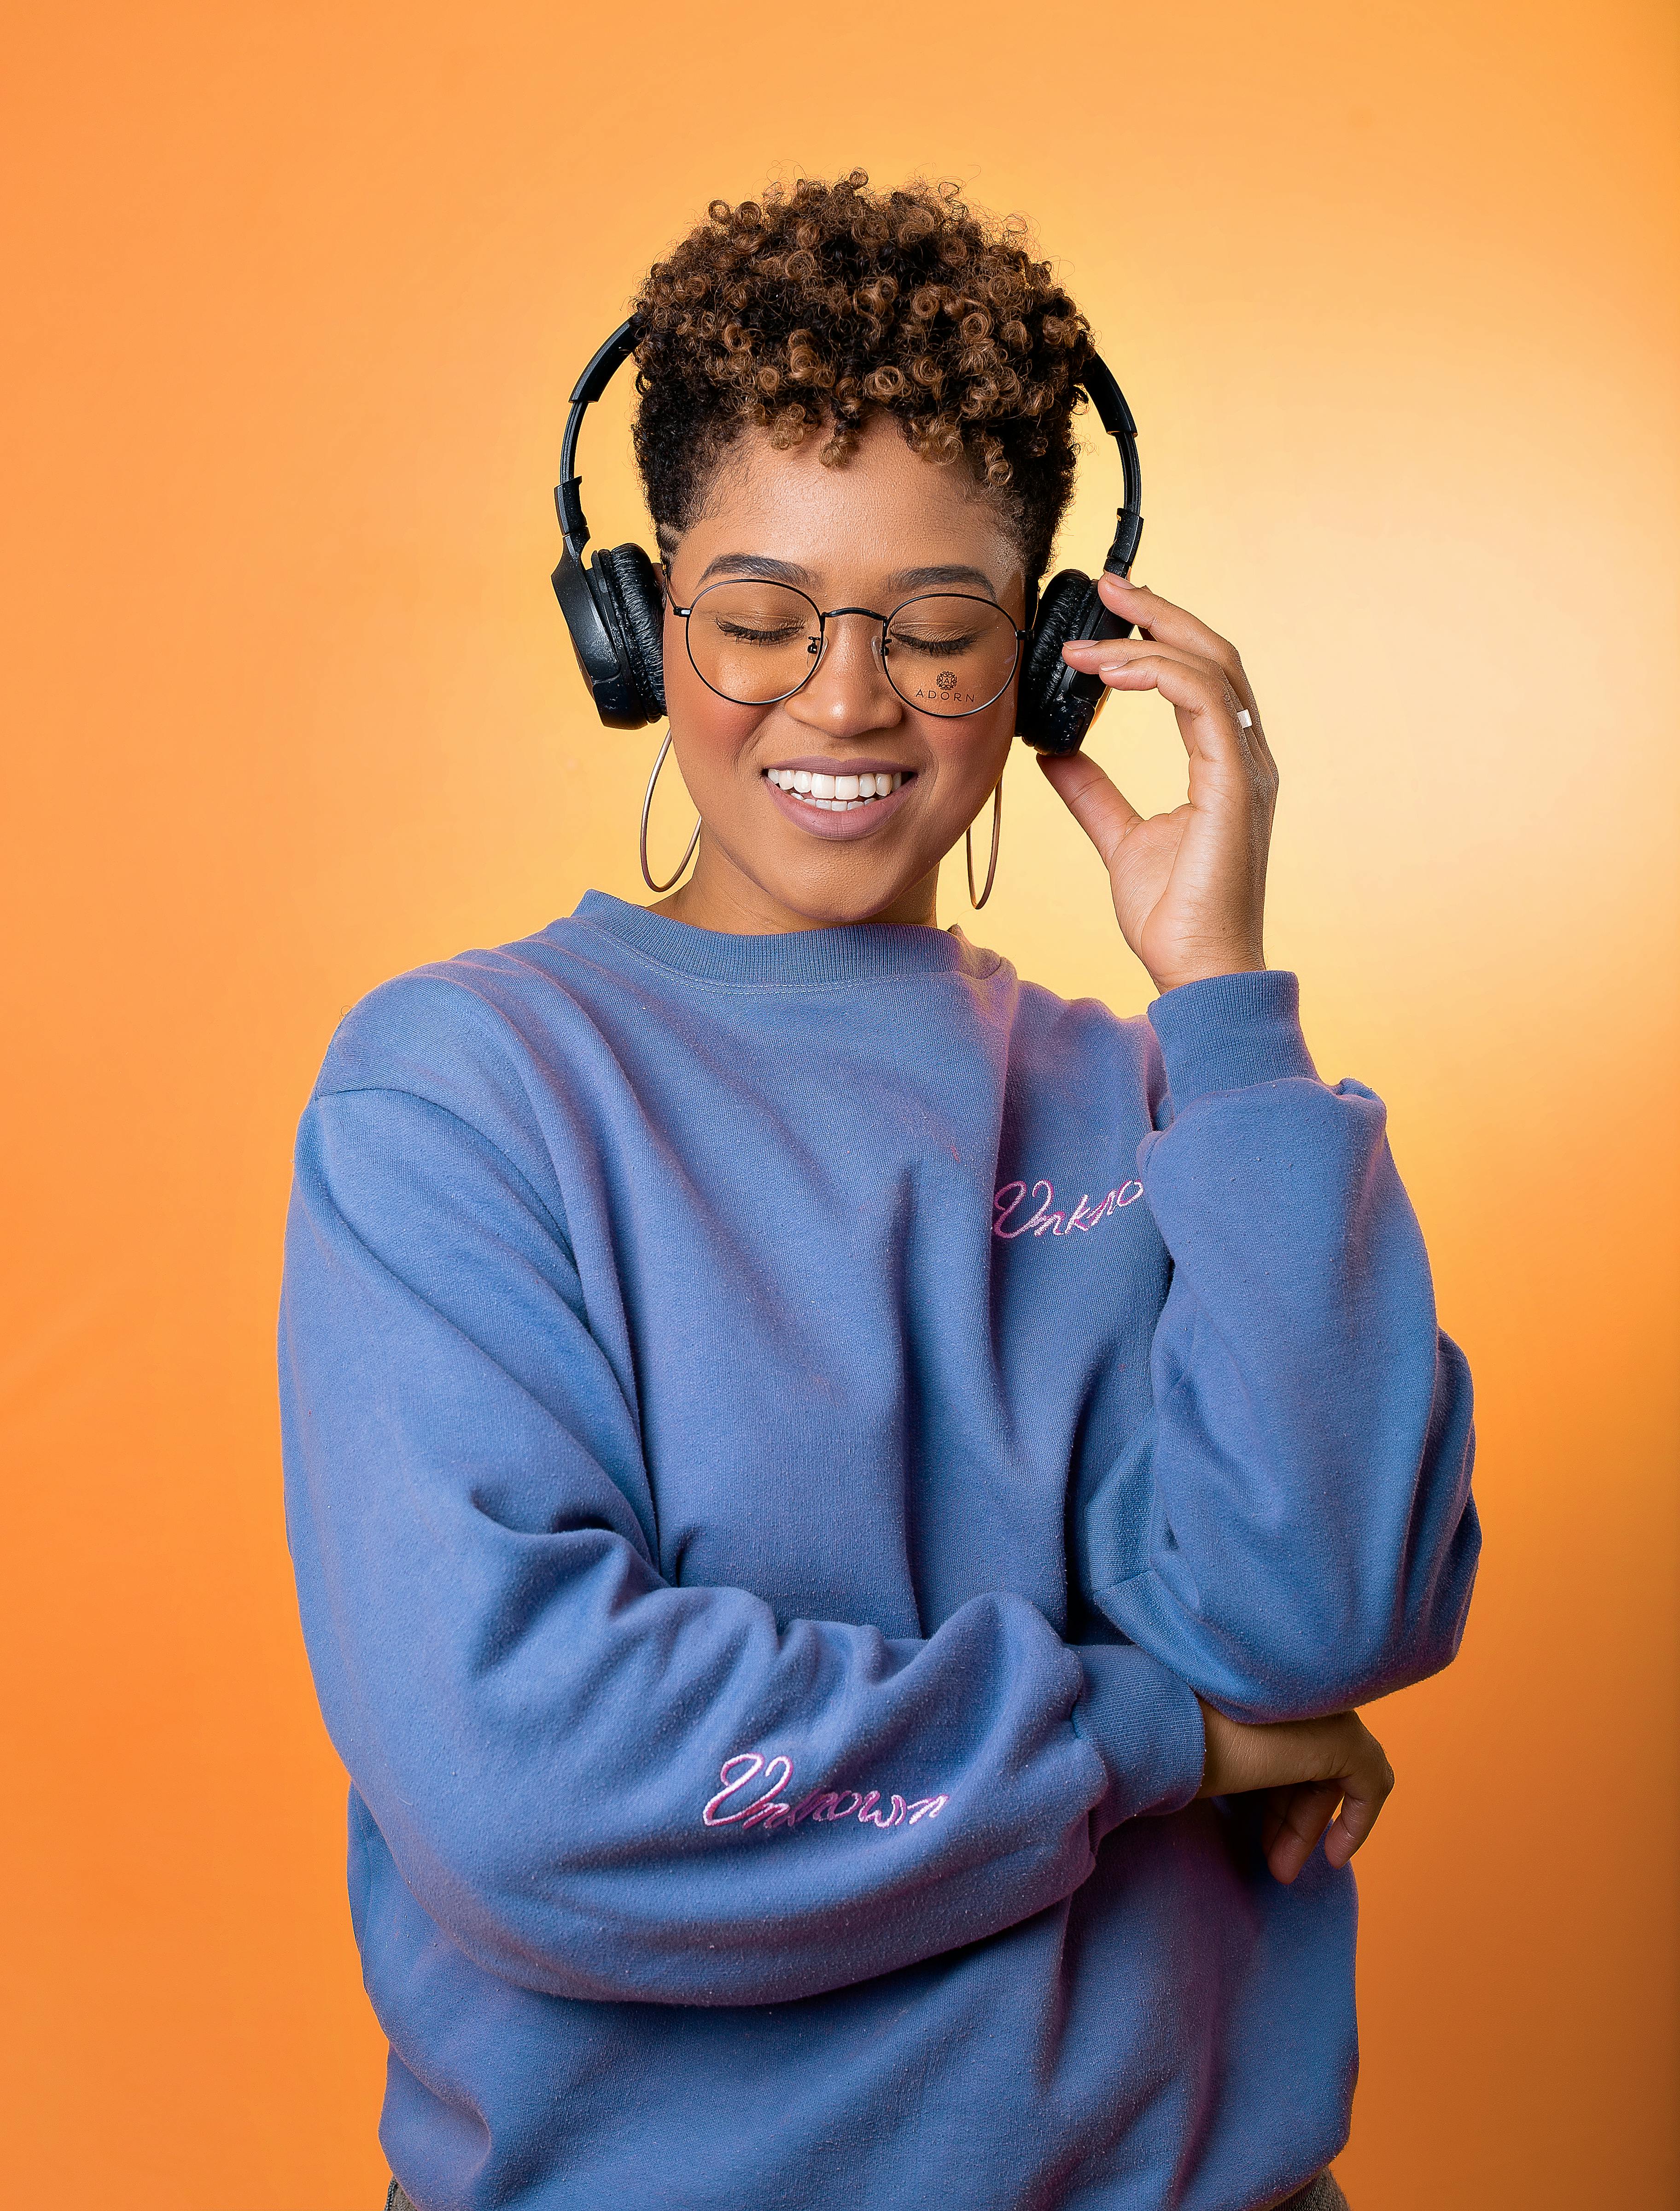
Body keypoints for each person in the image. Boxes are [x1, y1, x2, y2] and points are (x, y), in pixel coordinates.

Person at [279, 172, 1479, 2211]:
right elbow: (538, 1782)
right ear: (636, 625)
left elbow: (1333, 1612)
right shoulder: (463, 1092)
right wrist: (1163, 1738)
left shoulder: (1162, 1106)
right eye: (759, 619)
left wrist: (1225, 1002)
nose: (843, 701)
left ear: (1051, 661)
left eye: (937, 631)